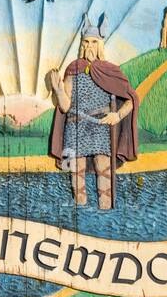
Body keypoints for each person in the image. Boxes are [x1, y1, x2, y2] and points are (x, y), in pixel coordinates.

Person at [45, 14, 139, 209]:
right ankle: (81, 215)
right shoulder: (74, 69)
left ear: (100, 44)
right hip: (75, 127)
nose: (89, 46)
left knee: (104, 174)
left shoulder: (110, 70)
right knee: (76, 177)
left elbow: (131, 99)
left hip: (100, 128)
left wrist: (117, 116)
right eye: (86, 42)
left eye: (93, 42)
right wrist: (58, 89)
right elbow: (65, 106)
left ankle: (104, 216)